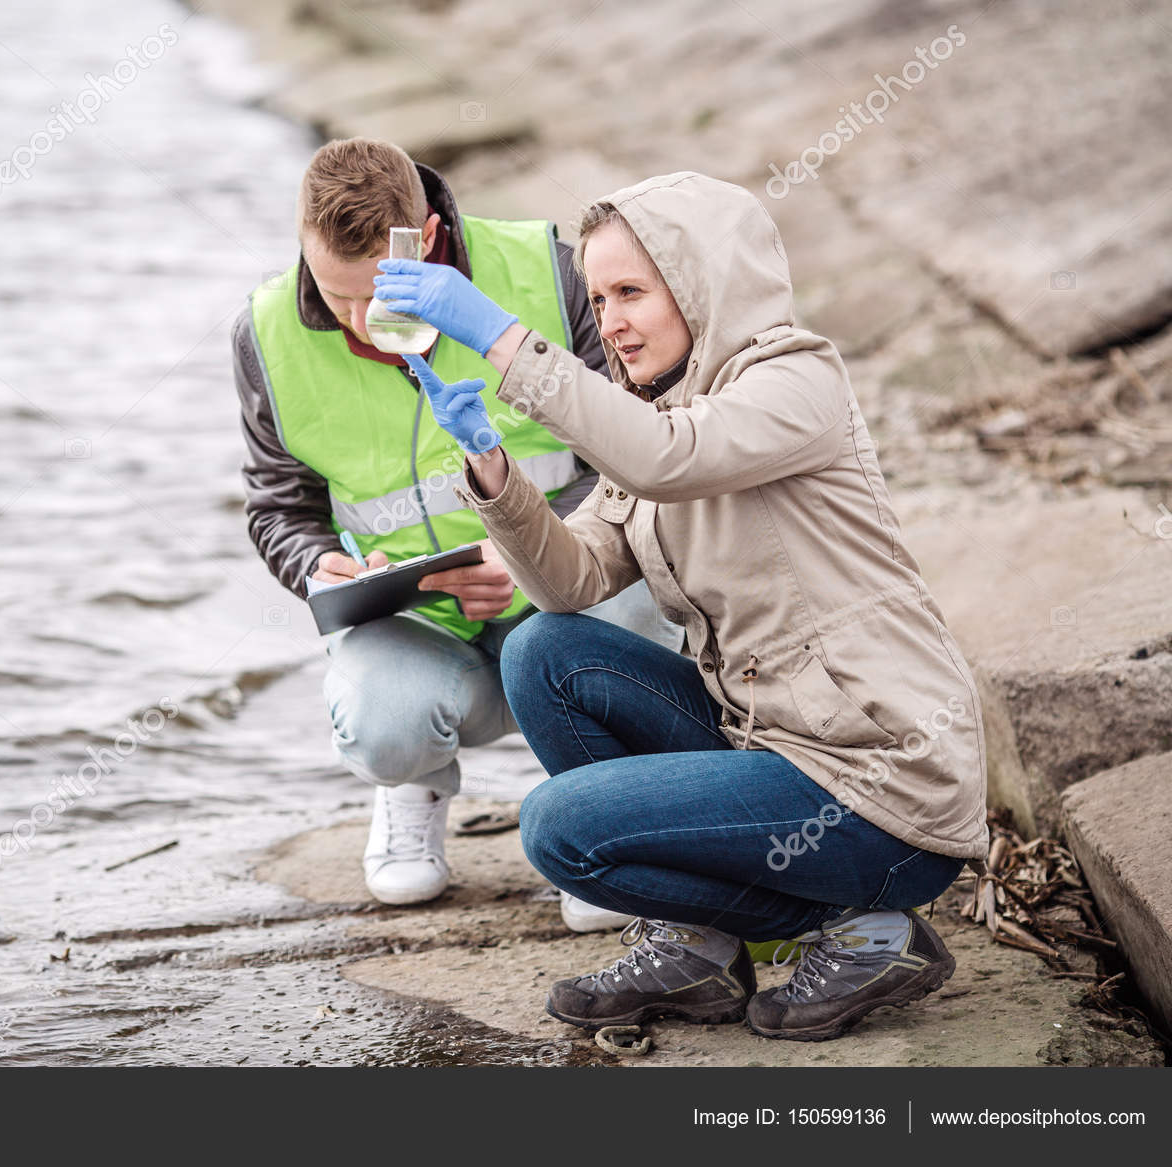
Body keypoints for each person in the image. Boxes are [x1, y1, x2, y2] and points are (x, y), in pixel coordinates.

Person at [371, 171, 988, 1041]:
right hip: (769, 747)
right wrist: (491, 471)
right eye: (597, 297)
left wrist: (499, 337)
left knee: (561, 831)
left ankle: (869, 929)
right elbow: (571, 580)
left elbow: (668, 459)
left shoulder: (794, 379)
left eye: (632, 292)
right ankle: (698, 947)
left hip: (879, 781)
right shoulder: (653, 411)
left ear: (702, 284)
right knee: (542, 651)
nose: (611, 320)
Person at [234, 138, 682, 913]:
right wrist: (316, 566)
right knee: (384, 721)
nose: (356, 321)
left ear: (428, 242)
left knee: (643, 602)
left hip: (573, 597)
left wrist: (533, 549)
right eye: (333, 293)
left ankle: (600, 809)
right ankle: (410, 786)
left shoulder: (552, 269)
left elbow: (640, 450)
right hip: (415, 627)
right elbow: (278, 505)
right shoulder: (264, 331)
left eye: (373, 297)